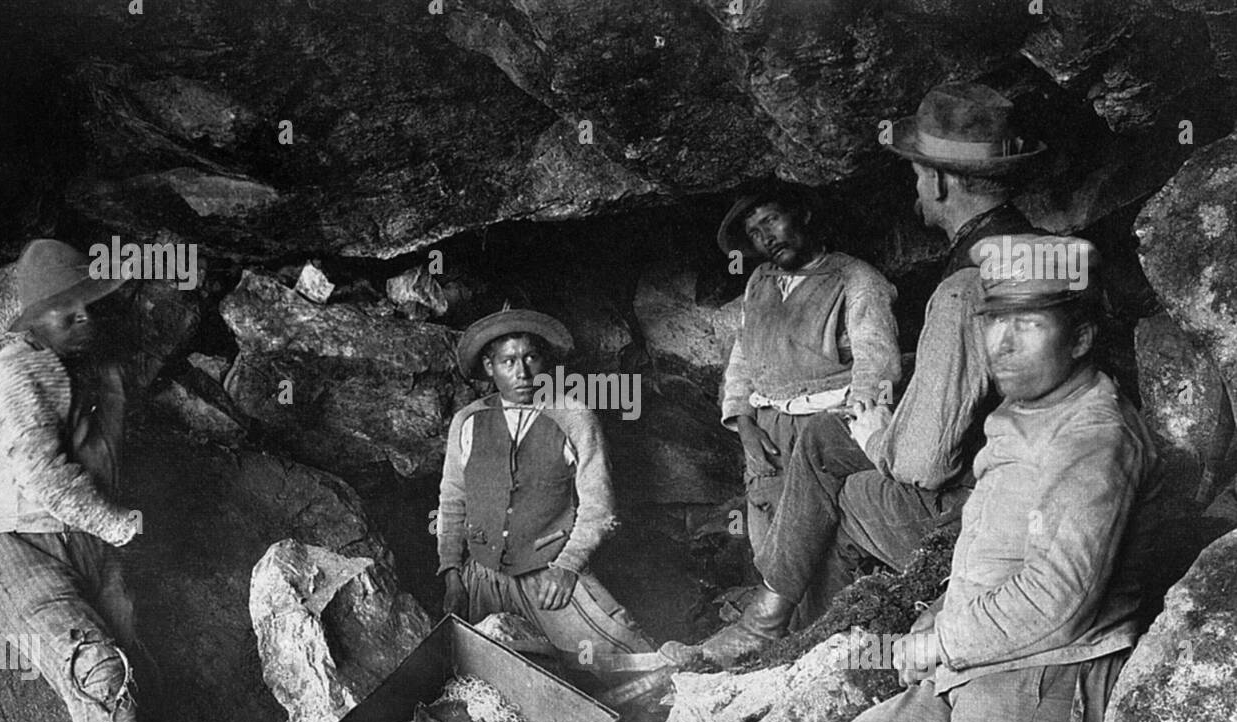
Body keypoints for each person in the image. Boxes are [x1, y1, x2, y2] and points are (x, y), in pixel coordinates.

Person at [776, 235, 1157, 722]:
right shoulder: (1025, 413)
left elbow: (1057, 601)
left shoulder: (1093, 437)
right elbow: (998, 546)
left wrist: (943, 638)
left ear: (1081, 339)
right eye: (994, 320)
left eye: (1028, 325)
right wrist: (942, 610)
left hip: (1045, 679)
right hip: (975, 666)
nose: (1001, 344)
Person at [700, 82, 1047, 665]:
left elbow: (921, 456)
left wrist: (872, 433)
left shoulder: (957, 287)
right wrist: (745, 418)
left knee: (841, 483)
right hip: (1021, 489)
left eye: (915, 174)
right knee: (823, 467)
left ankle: (802, 638)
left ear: (936, 181)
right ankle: (797, 629)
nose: (916, 186)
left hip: (984, 511)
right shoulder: (1034, 252)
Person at [0, 238, 166, 722]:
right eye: (64, 309)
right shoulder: (14, 372)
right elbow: (43, 475)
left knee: (143, 678)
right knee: (99, 674)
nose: (82, 316)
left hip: (91, 547)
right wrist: (120, 524)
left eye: (88, 303)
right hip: (23, 548)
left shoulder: (100, 372)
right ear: (35, 320)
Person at [435, 307, 656, 687]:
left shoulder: (573, 415)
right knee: (490, 677)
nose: (522, 372)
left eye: (530, 358)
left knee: (626, 664)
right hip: (484, 577)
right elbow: (453, 499)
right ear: (490, 368)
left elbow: (598, 506)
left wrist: (568, 567)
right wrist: (452, 574)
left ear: (545, 362)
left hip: (549, 572)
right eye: (508, 361)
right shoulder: (467, 421)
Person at [717, 187, 901, 552]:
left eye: (771, 220)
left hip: (826, 426)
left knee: (827, 546)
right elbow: (742, 357)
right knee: (770, 543)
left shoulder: (856, 278)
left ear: (802, 215)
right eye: (755, 232)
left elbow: (877, 367)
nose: (766, 237)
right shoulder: (759, 282)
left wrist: (854, 430)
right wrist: (743, 422)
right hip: (767, 432)